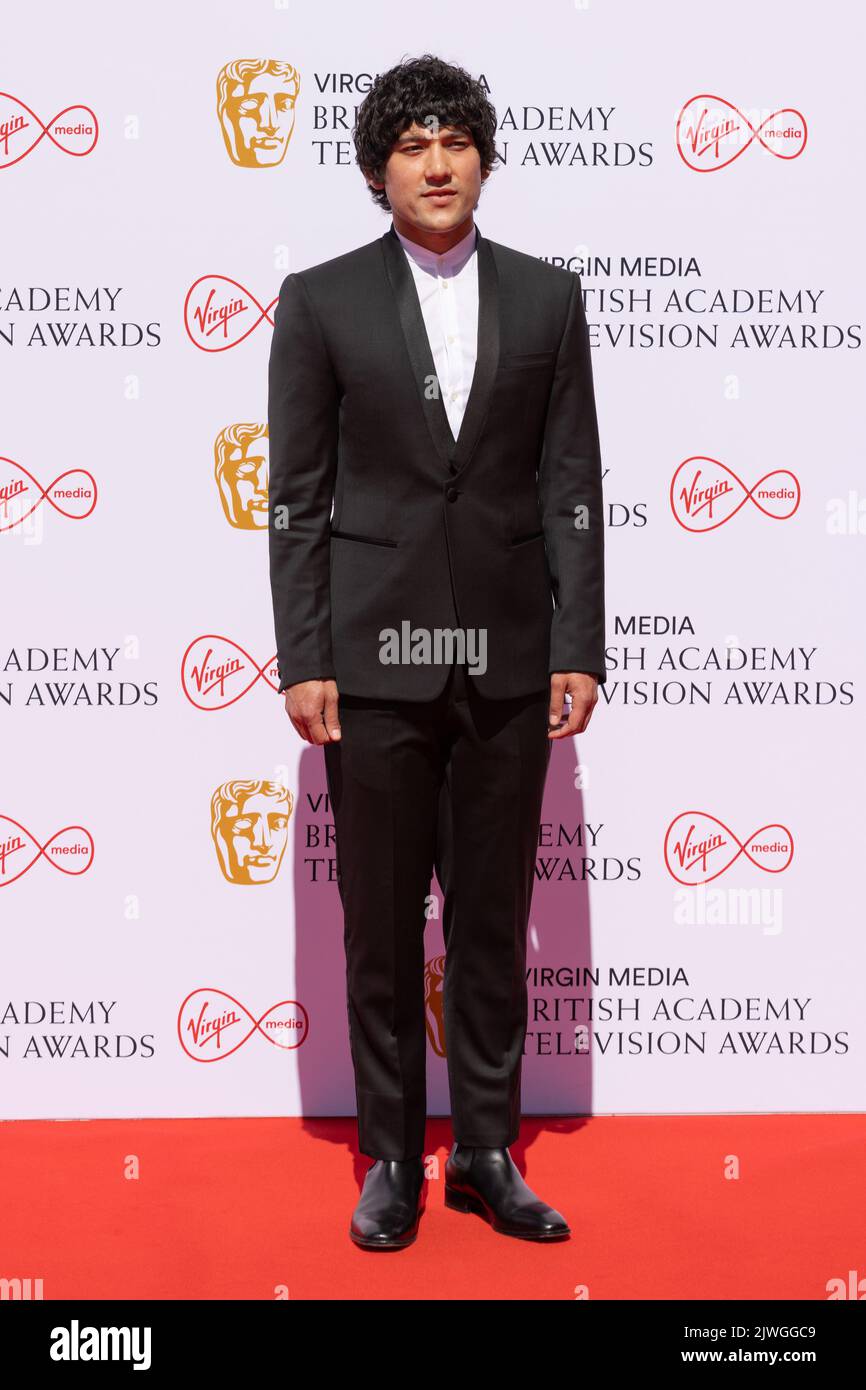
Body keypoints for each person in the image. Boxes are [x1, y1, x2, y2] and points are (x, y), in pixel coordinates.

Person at [267, 53, 606, 1249]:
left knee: (490, 916)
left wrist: (580, 641)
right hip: (371, 661)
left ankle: (490, 1154)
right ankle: (391, 1160)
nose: (435, 161)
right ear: (377, 171)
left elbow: (571, 484)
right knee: (375, 922)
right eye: (410, 145)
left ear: (482, 157)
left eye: (452, 140)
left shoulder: (551, 299)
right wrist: (302, 653)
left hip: (510, 660)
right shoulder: (318, 301)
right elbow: (295, 496)